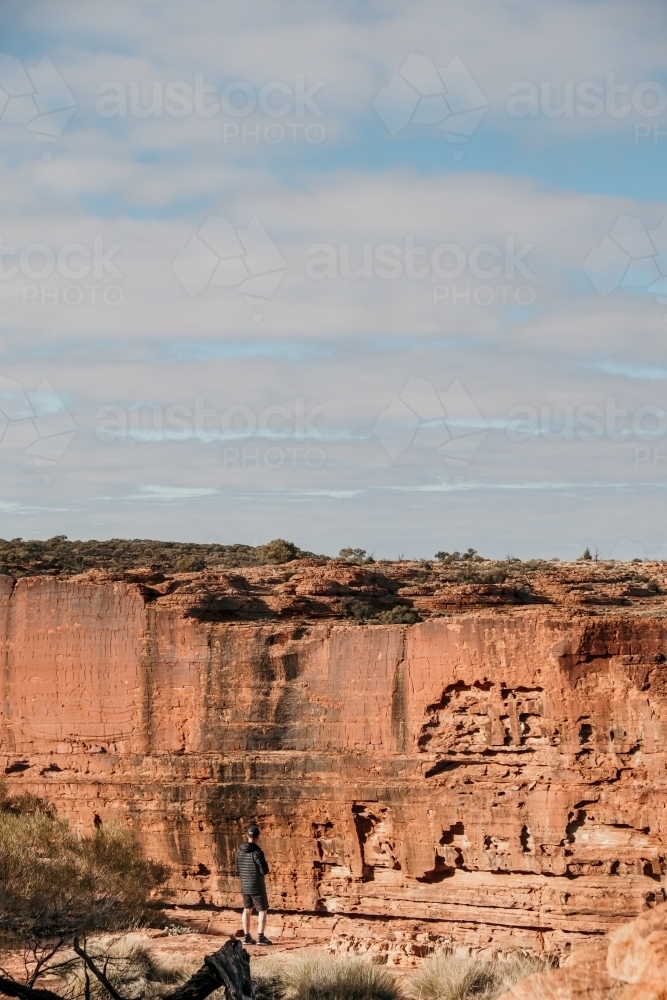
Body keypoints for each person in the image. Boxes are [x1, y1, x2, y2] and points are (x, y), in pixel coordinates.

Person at [235, 824, 272, 945]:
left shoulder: (240, 851)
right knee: (262, 910)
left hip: (245, 886)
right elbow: (264, 870)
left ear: (247, 835)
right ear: (257, 837)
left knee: (247, 910)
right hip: (257, 886)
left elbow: (237, 867)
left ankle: (246, 937)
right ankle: (260, 937)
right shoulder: (257, 852)